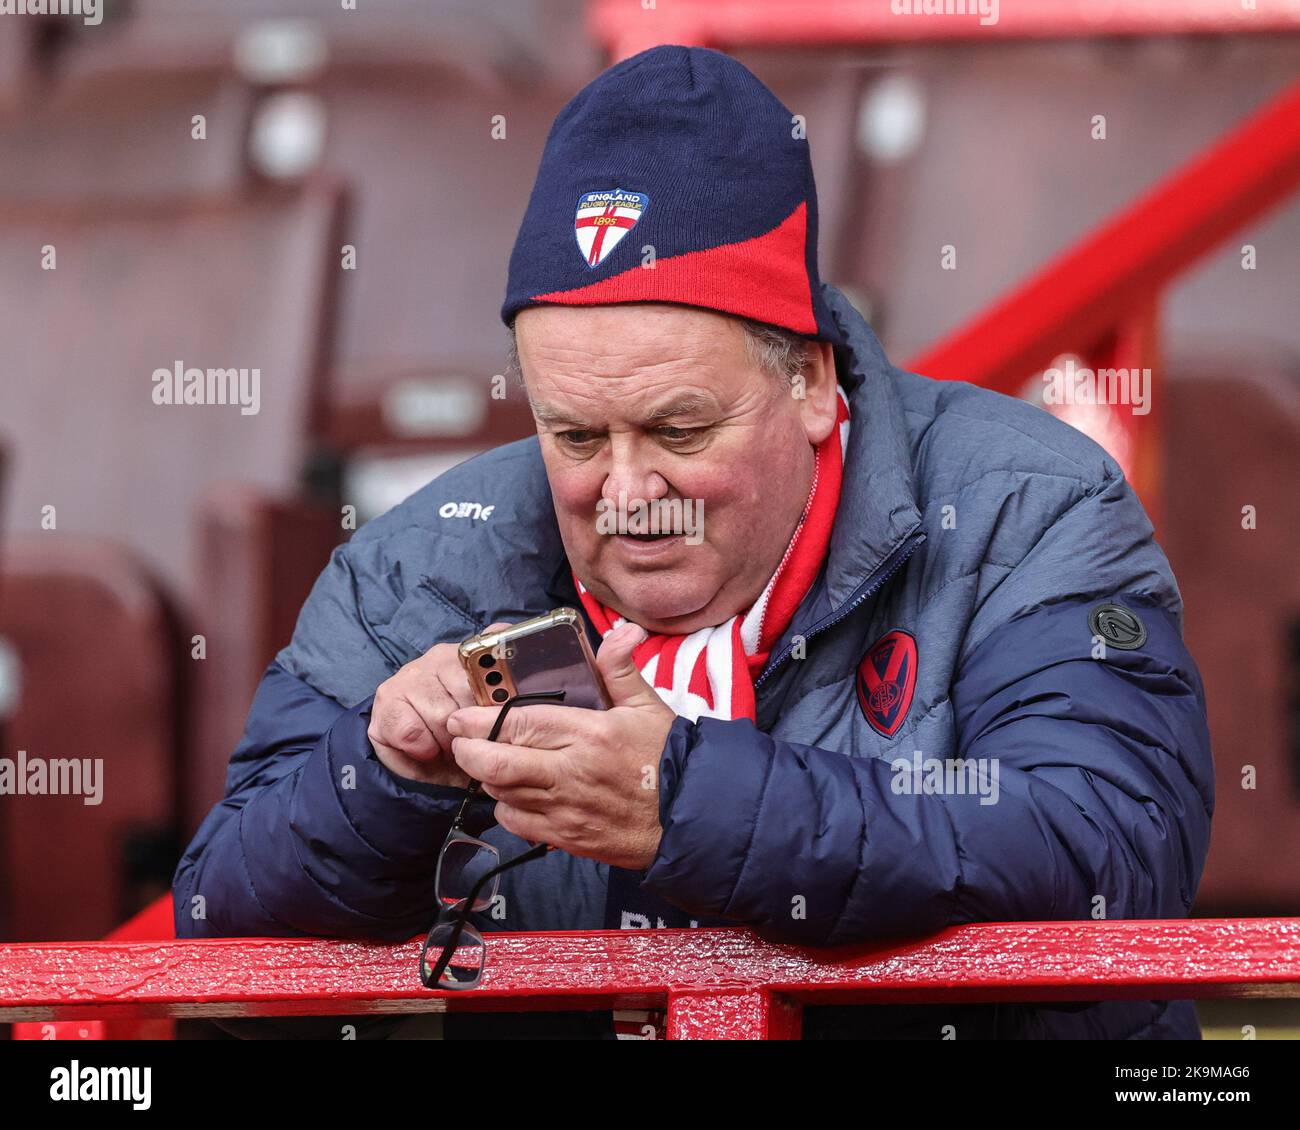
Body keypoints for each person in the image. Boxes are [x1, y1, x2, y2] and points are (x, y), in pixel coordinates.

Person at [174, 45, 1213, 1040]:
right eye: (574, 435)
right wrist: (382, 778)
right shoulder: (426, 559)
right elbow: (216, 918)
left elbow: (1102, 847)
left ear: (809, 380)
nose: (627, 491)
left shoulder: (1025, 508)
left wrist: (680, 802)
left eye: (679, 429)